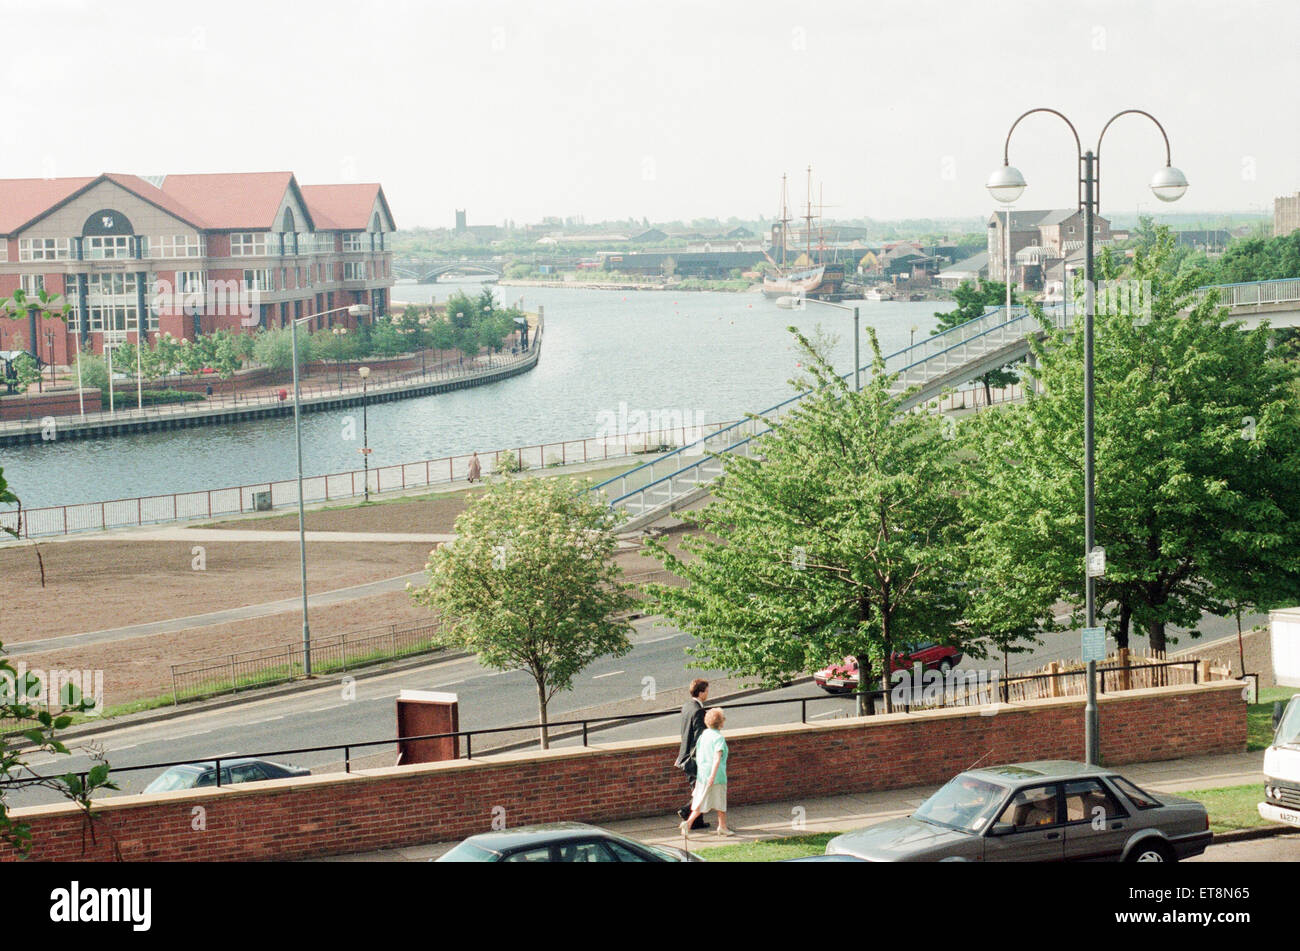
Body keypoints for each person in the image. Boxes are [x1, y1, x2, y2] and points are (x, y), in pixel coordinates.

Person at [680, 708, 734, 837]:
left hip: (702, 775)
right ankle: (720, 827)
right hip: (716, 776)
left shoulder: (703, 735)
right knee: (720, 802)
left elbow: (698, 755)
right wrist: (713, 776)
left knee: (700, 801)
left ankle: (719, 826)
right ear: (721, 722)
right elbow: (717, 759)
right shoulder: (719, 738)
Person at [674, 679, 710, 829]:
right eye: (707, 690)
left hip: (684, 754)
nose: (708, 693)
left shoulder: (687, 706)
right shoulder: (698, 711)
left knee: (696, 788)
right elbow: (699, 738)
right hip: (692, 758)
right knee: (700, 790)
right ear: (701, 693)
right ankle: (686, 810)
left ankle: (697, 821)